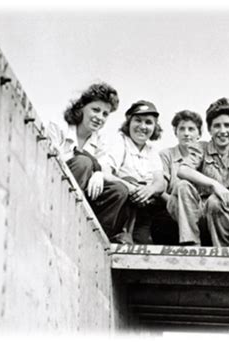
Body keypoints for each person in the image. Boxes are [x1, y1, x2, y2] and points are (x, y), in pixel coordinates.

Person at [47, 82, 129, 242]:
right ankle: (63, 223)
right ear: (82, 107)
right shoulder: (59, 126)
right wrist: (92, 164)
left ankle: (94, 239)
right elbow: (53, 162)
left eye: (105, 114)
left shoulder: (102, 139)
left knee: (119, 190)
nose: (100, 117)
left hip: (83, 194)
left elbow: (104, 167)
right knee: (83, 163)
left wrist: (98, 172)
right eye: (96, 110)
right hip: (55, 190)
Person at [168, 98, 229, 247]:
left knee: (215, 201)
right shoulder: (201, 148)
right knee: (182, 186)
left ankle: (222, 249)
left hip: (227, 213)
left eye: (227, 125)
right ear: (209, 130)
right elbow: (183, 170)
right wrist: (214, 184)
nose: (222, 131)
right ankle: (191, 245)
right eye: (217, 126)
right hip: (198, 213)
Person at [101, 100, 165, 244]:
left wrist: (150, 189)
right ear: (129, 123)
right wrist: (132, 188)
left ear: (155, 127)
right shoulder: (120, 142)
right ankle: (120, 234)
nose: (143, 126)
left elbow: (160, 182)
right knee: (129, 181)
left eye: (148, 122)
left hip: (145, 209)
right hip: (124, 207)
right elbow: (105, 173)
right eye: (138, 120)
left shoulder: (152, 151)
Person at [154, 110, 204, 245]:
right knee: (182, 187)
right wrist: (181, 206)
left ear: (199, 133)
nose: (186, 133)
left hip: (201, 211)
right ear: (176, 132)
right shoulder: (166, 155)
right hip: (172, 209)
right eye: (182, 129)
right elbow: (161, 190)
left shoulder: (205, 154)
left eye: (191, 129)